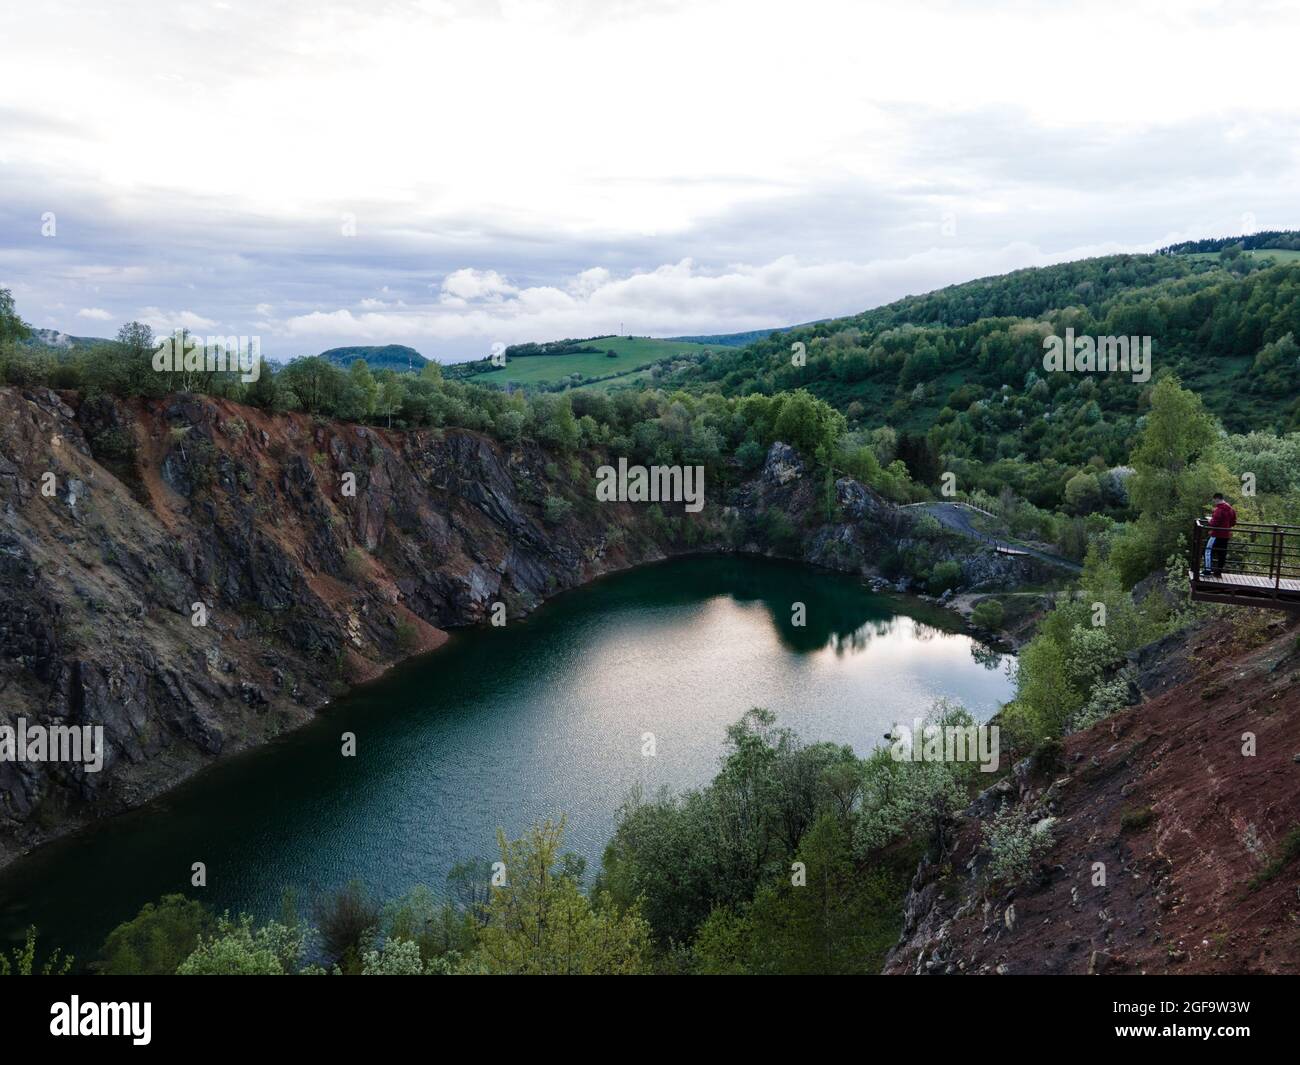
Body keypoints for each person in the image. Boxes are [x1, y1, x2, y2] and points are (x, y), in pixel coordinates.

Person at [1201, 492, 1237, 577]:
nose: (1214, 502)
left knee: (1207, 550)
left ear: (1217, 499)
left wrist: (1209, 520)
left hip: (1216, 534)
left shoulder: (1219, 509)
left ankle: (1207, 571)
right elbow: (1233, 522)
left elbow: (1214, 523)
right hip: (1226, 534)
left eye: (1214, 500)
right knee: (1222, 554)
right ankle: (1218, 572)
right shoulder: (1231, 509)